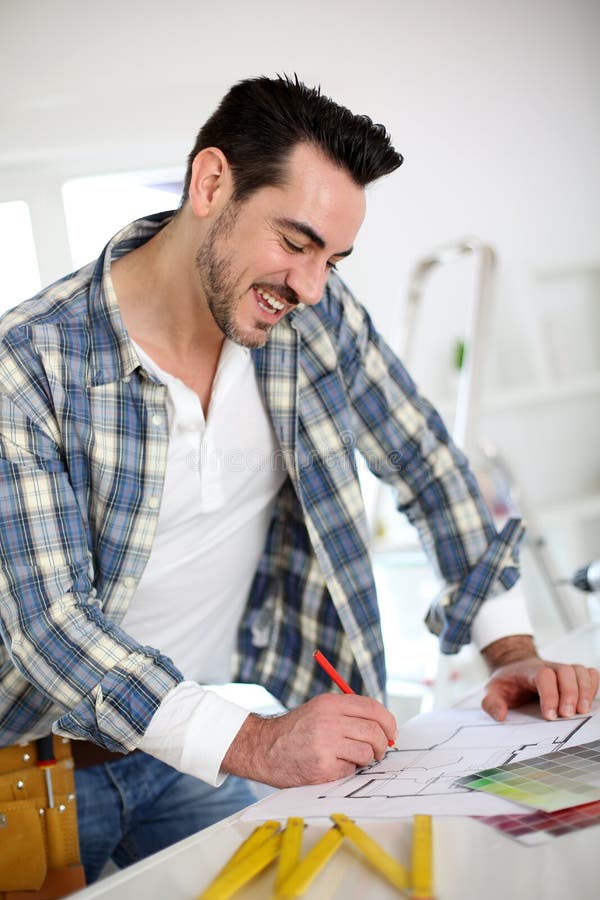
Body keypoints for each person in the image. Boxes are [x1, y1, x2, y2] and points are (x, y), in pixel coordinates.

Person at [0, 75, 597, 884]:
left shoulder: (312, 317)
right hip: (31, 771)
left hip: (186, 750)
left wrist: (511, 649)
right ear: (211, 183)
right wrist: (259, 743)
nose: (313, 286)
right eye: (295, 242)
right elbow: (52, 623)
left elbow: (425, 460)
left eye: (333, 259)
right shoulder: (28, 366)